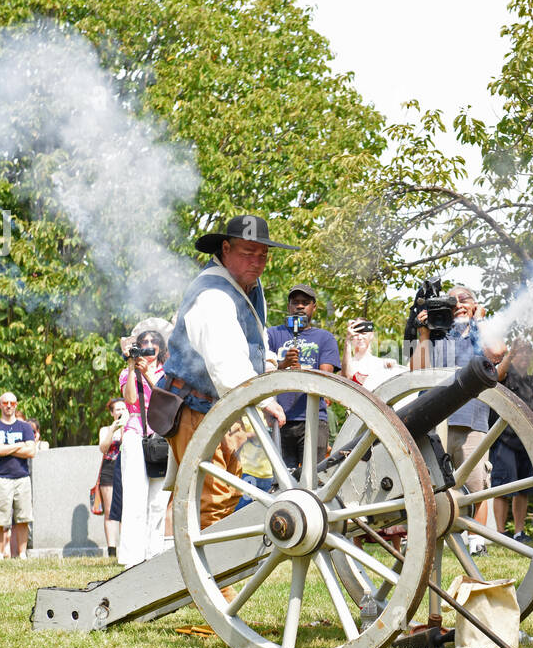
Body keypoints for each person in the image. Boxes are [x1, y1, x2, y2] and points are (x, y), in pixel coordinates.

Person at [158, 215, 289, 529]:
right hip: (196, 408)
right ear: (226, 249)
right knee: (211, 503)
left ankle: (210, 575)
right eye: (247, 253)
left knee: (226, 494)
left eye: (263, 255)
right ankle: (205, 576)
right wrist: (263, 399)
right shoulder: (213, 293)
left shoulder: (246, 288)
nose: (257, 261)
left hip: (221, 407)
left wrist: (268, 368)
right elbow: (225, 362)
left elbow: (257, 340)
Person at [410, 284, 495, 553]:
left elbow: (496, 354)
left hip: (472, 418)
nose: (458, 304)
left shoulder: (481, 332)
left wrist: (481, 321)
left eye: (465, 299)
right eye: (452, 300)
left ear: (475, 304)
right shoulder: (435, 333)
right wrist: (423, 333)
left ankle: (477, 540)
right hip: (435, 420)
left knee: (476, 484)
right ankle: (428, 537)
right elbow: (416, 373)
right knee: (429, 483)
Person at [267, 284, 341, 468]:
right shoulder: (272, 334)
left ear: (314, 307)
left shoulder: (325, 338)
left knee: (313, 477)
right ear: (288, 306)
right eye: (295, 302)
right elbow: (261, 371)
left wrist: (302, 372)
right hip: (280, 419)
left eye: (305, 303)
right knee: (282, 480)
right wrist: (282, 365)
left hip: (313, 419)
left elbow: (326, 378)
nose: (300, 306)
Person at [118, 325, 170, 566]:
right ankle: (132, 556)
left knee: (159, 499)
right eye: (144, 343)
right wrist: (131, 368)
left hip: (161, 436)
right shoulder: (127, 372)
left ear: (160, 348)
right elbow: (129, 399)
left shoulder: (167, 373)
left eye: (153, 343)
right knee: (134, 497)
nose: (149, 347)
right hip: (135, 433)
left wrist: (148, 373)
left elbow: (166, 398)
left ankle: (154, 553)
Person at [490, 339, 533, 542]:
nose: (525, 357)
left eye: (528, 353)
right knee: (501, 488)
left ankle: (519, 532)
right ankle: (500, 533)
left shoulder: (532, 379)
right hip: (504, 439)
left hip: (526, 441)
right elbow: (497, 375)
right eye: (521, 353)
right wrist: (509, 354)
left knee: (523, 490)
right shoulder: (504, 375)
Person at [0, 391, 36, 559]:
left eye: (12, 403)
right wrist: (19, 445)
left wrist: (6, 447)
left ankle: (22, 554)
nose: (9, 406)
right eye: (5, 402)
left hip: (22, 478)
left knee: (23, 517)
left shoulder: (25, 427)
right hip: (0, 478)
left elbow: (31, 451)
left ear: (16, 405)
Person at [97, 397, 128, 558]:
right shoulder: (105, 429)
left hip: (126, 468)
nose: (121, 412)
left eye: (123, 408)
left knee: (125, 509)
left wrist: (124, 429)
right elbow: (103, 448)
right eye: (117, 409)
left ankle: (126, 546)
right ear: (112, 413)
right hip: (109, 470)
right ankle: (111, 549)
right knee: (109, 511)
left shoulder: (130, 427)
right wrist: (113, 430)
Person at [342, 317, 398, 391]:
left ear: (371, 335)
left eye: (363, 333)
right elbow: (346, 378)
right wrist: (348, 340)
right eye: (356, 334)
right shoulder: (348, 364)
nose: (359, 337)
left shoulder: (382, 363)